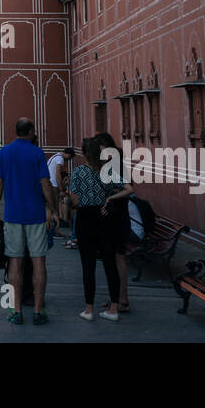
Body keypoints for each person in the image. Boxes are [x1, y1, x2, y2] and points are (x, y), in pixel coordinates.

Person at [0, 118, 57, 325]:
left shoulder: (5, 152)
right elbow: (45, 183)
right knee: (39, 262)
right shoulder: (37, 152)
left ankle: (16, 310)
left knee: (15, 263)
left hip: (13, 215)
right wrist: (52, 209)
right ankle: (38, 310)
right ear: (29, 132)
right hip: (35, 215)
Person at [69, 136, 123, 322]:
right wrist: (108, 199)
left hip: (85, 218)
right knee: (110, 264)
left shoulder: (78, 172)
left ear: (84, 153)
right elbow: (127, 188)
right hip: (104, 217)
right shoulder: (107, 171)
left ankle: (89, 309)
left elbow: (74, 201)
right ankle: (114, 309)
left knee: (88, 265)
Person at [95, 132, 136, 315]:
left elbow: (128, 189)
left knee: (117, 258)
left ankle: (122, 300)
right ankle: (118, 298)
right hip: (116, 215)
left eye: (100, 148)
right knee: (116, 258)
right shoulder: (115, 162)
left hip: (117, 217)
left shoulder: (115, 163)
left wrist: (110, 198)